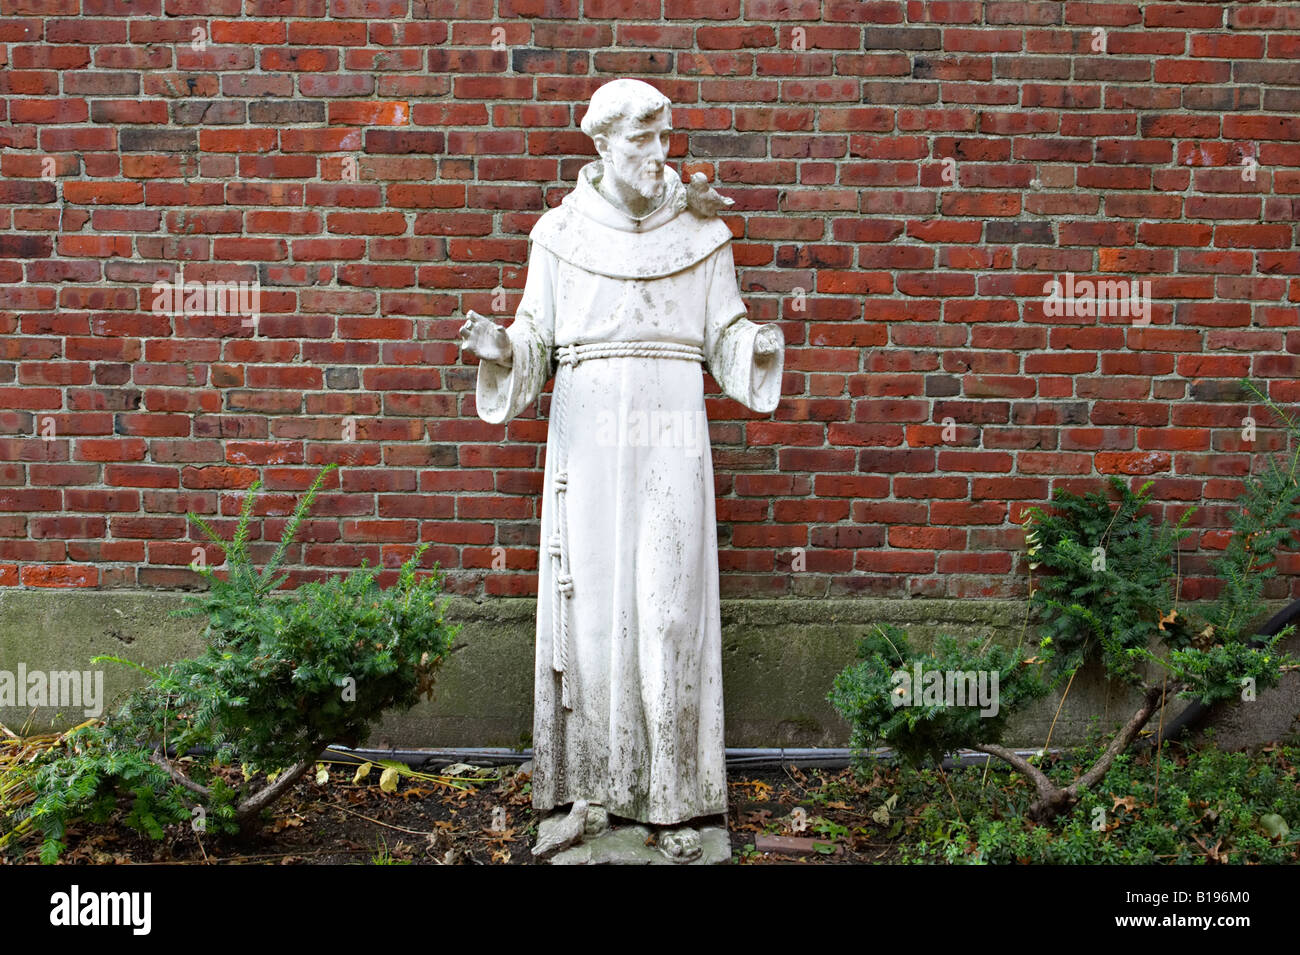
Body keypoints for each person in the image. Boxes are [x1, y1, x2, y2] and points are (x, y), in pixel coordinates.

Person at [458, 78, 784, 862]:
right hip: (590, 431)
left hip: (672, 425)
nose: (659, 154)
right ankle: (590, 795)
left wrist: (754, 346)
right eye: (642, 140)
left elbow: (725, 330)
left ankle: (675, 805)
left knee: (669, 609)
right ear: (602, 145)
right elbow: (535, 336)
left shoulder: (703, 234)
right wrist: (503, 349)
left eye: (665, 137)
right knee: (594, 615)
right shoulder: (559, 235)